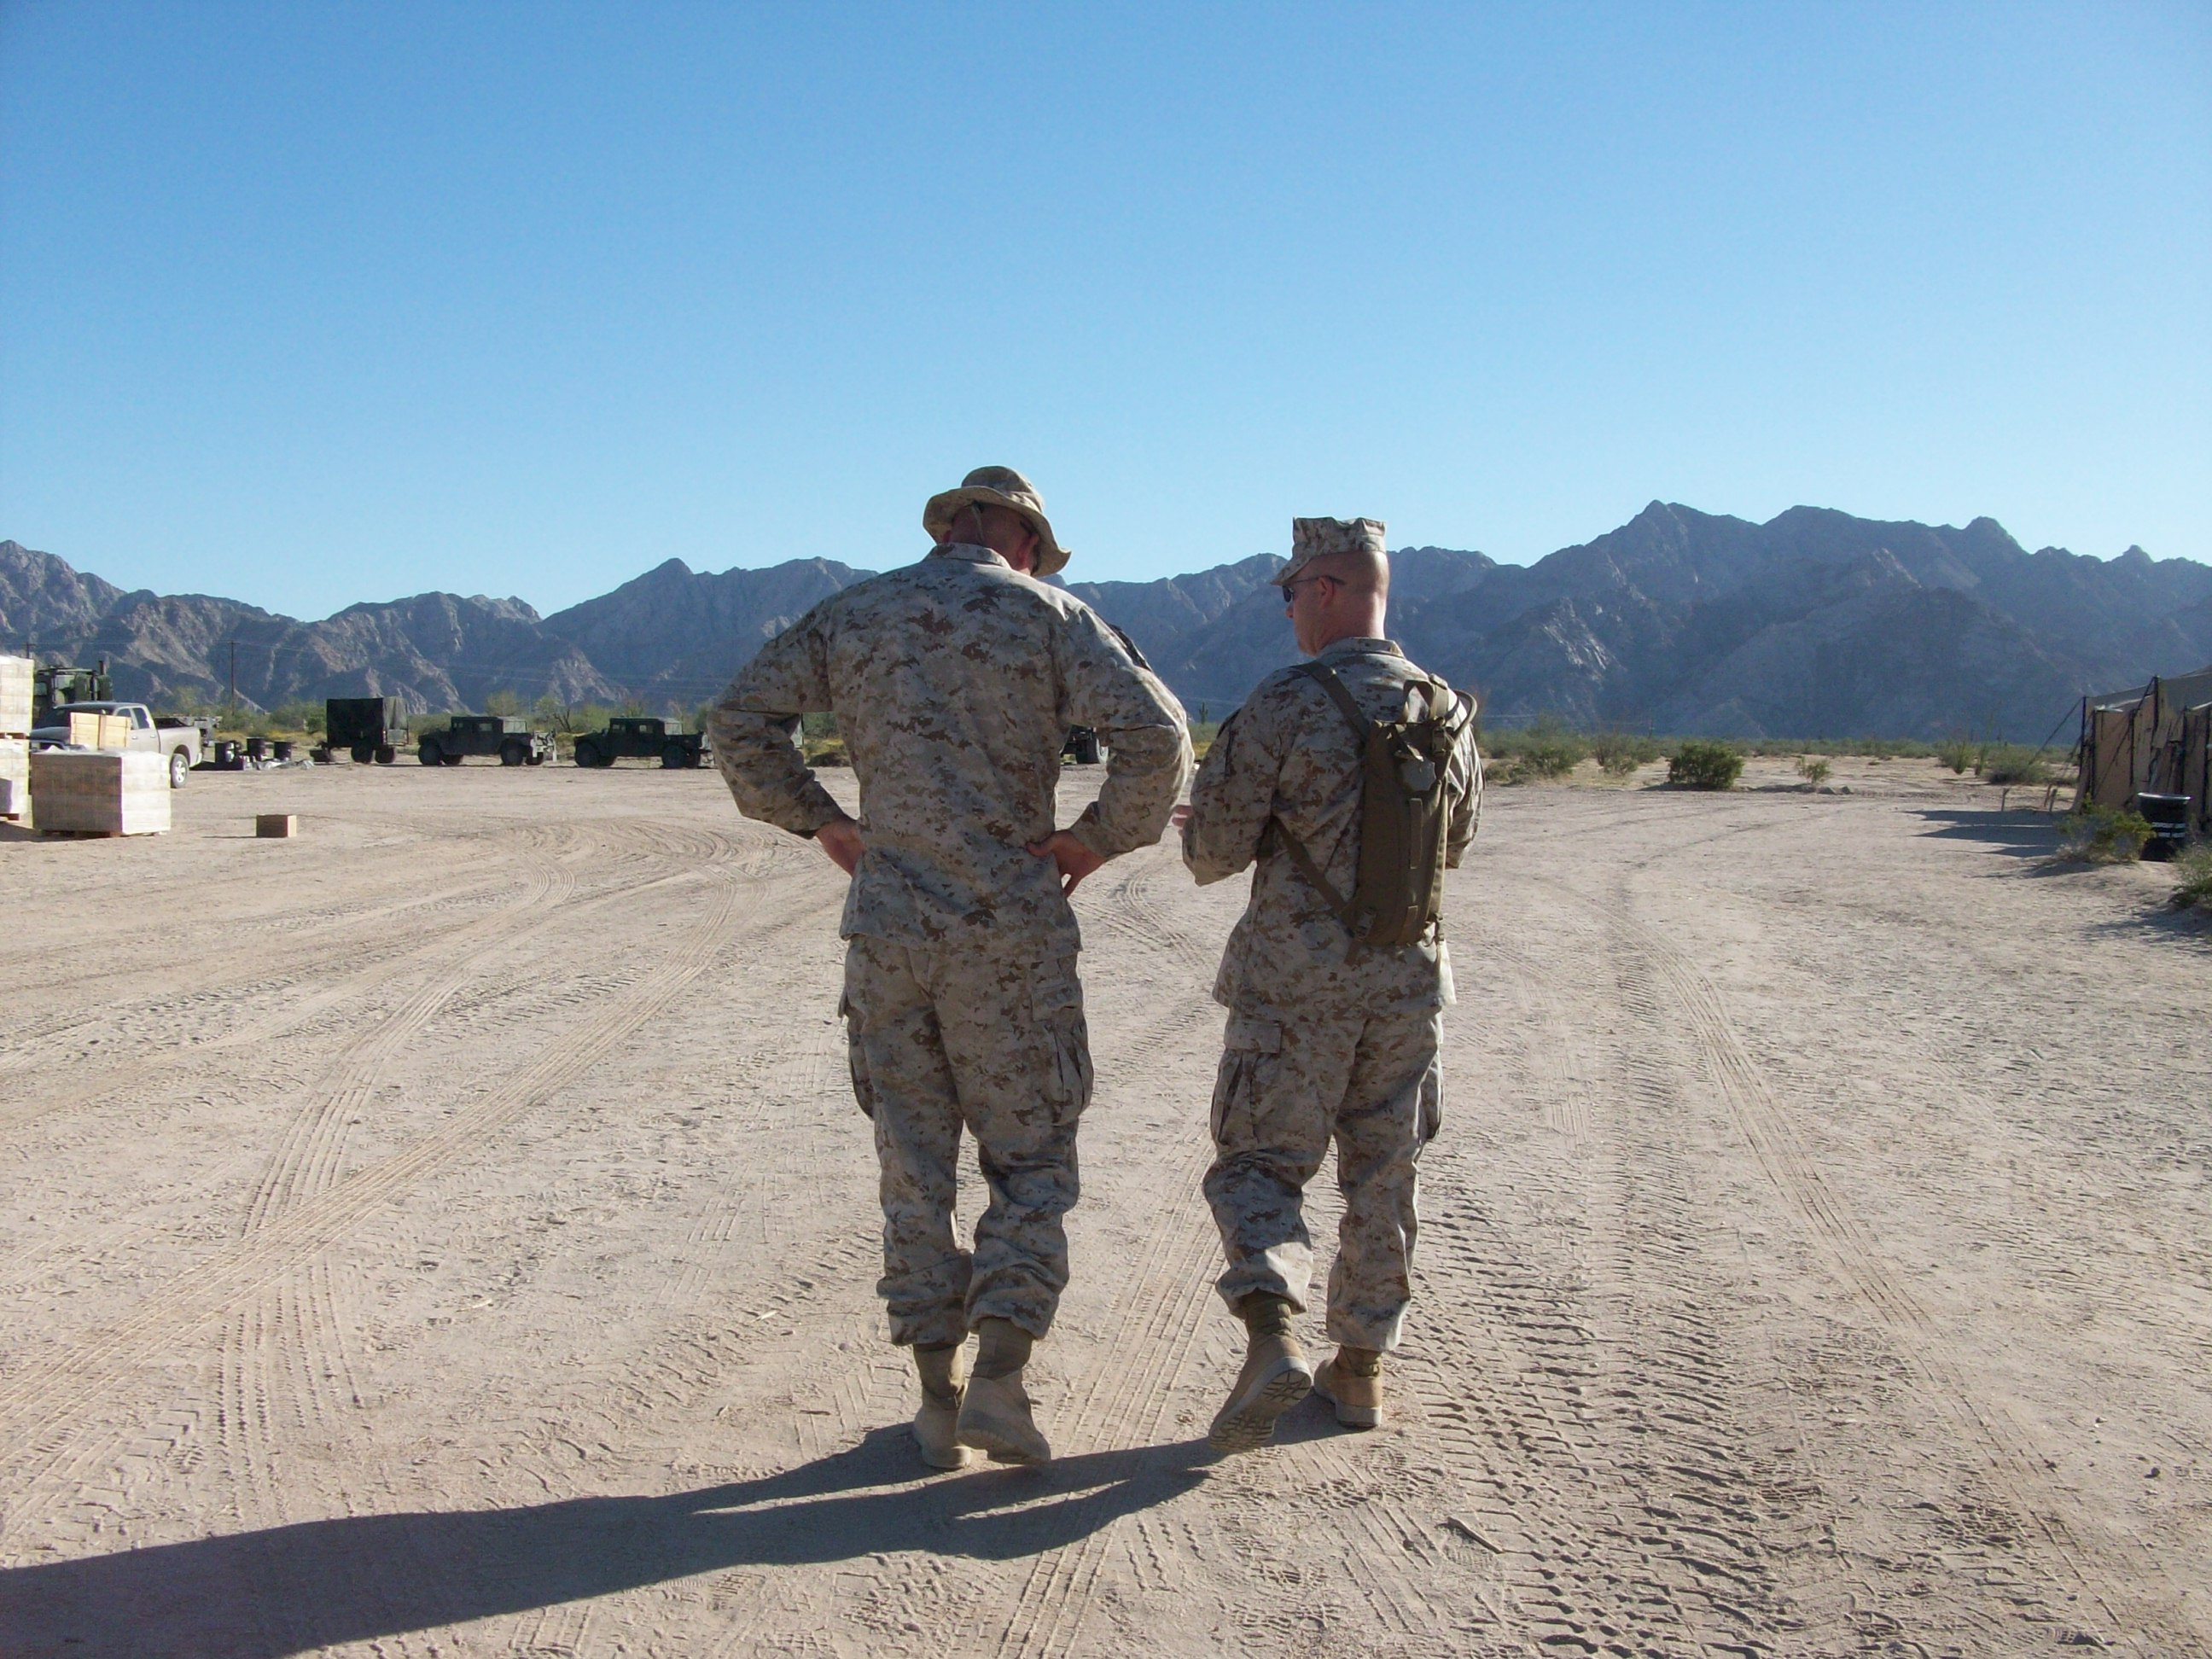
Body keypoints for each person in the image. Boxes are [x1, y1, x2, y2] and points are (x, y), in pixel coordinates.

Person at [709, 466, 1190, 1470]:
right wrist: (1092, 842)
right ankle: (1002, 1385)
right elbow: (1159, 735)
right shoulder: (1052, 616)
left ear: (952, 525)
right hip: (1009, 932)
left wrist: (826, 824)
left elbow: (739, 718)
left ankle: (935, 1406)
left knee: (912, 1162)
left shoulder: (854, 613)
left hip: (888, 930)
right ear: (1020, 535)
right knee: (1030, 1159)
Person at [1176, 516, 1481, 1452]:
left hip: (1294, 988)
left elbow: (1212, 855)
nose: (1287, 612)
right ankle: (1361, 1371)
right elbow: (1454, 848)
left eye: (1288, 594)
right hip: (1409, 985)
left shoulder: (1284, 705)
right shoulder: (1449, 713)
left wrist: (1212, 823)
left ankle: (1272, 1340)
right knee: (1385, 1173)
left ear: (1325, 590)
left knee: (1261, 1163)